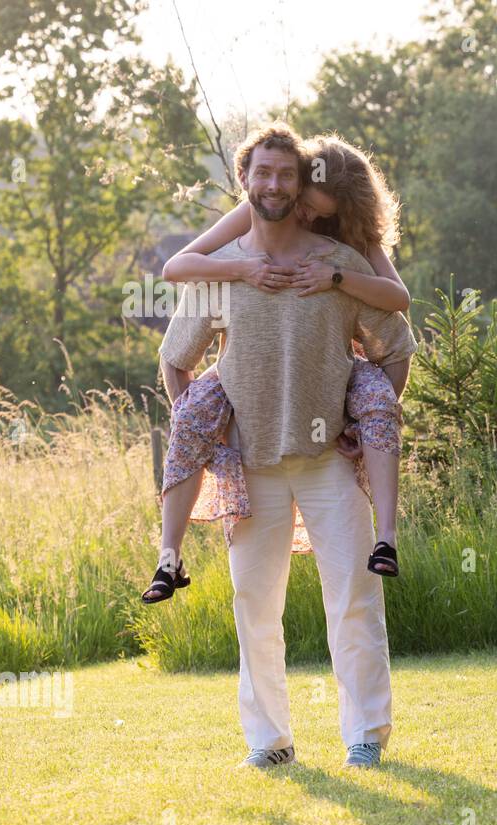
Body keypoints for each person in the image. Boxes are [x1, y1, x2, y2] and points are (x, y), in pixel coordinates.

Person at [155, 123, 418, 767]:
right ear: (246, 182)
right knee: (254, 606)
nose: (273, 185)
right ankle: (269, 744)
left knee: (354, 597)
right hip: (252, 464)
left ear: (300, 185)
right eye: (261, 175)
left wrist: (367, 418)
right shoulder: (222, 272)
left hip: (330, 462)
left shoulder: (337, 265)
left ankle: (364, 738)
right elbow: (175, 360)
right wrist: (205, 426)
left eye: (285, 175)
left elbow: (397, 342)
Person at [141, 132, 410, 605]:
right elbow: (177, 268)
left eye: (314, 212)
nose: (298, 211)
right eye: (301, 201)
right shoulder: (256, 211)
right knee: (193, 412)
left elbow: (399, 304)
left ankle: (386, 536)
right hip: (254, 438)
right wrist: (243, 271)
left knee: (375, 399)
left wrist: (338, 277)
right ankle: (169, 554)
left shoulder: (349, 246)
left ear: (336, 214)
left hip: (334, 392)